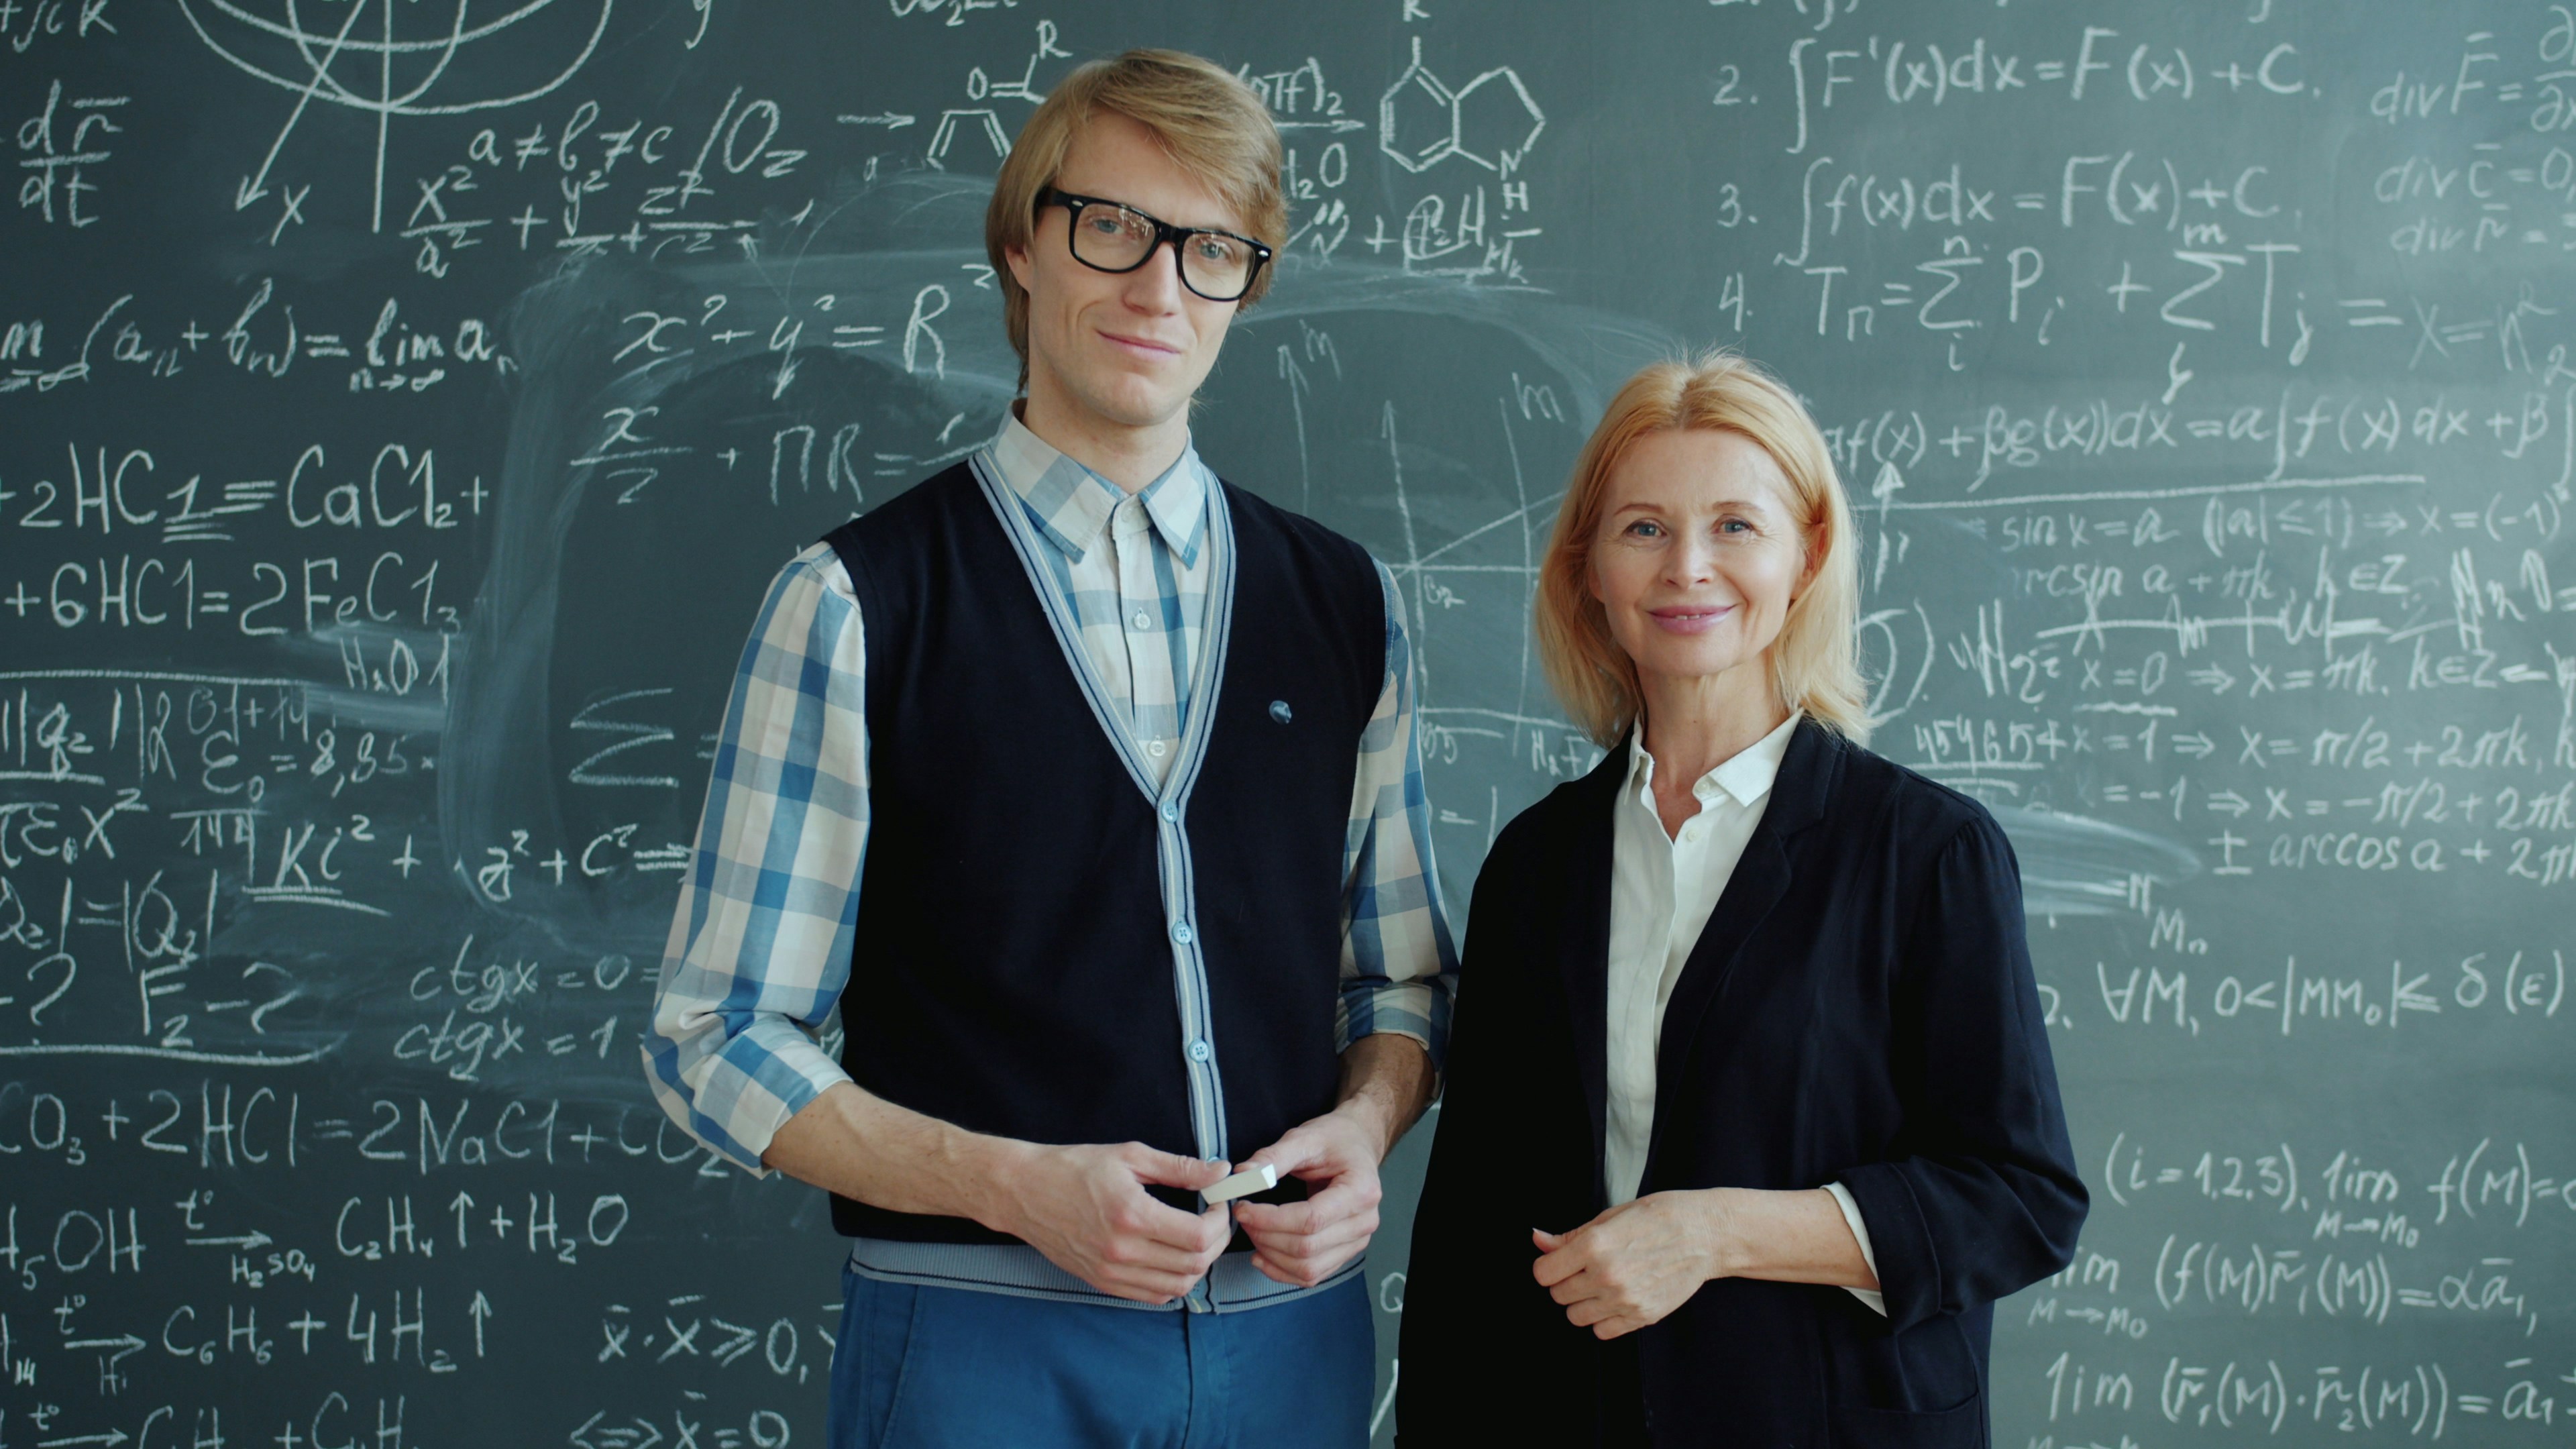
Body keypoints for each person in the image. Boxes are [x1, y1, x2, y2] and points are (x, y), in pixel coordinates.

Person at [644, 50, 1457, 1446]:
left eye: (1211, 249)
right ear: (1022, 242)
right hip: (981, 1350)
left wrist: (1369, 1127)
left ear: (1247, 284)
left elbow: (1400, 980)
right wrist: (1014, 1185)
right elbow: (714, 1038)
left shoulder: (1345, 605)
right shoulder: (855, 605)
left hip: (1291, 1348)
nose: (1157, 288)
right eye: (1113, 227)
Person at [1396, 351, 2085, 1447]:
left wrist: (1712, 1232)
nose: (1688, 568)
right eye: (1644, 529)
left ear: (1806, 556)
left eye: (1734, 525)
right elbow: (1469, 1241)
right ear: (1589, 570)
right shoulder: (1536, 866)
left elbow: (2020, 1199)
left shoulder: (1930, 854)